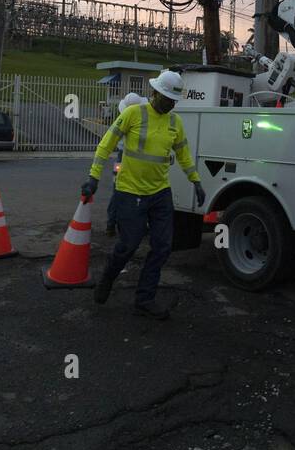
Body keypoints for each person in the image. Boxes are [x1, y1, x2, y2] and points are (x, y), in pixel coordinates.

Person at [83, 71, 205, 318]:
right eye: (167, 98)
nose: (170, 103)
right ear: (155, 93)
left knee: (162, 247)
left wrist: (196, 181)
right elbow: (105, 145)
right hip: (130, 191)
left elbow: (183, 154)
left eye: (174, 100)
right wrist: (93, 177)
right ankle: (108, 276)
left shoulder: (175, 123)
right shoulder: (132, 114)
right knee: (128, 245)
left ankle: (144, 299)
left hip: (160, 192)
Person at [105, 92, 146, 237]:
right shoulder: (142, 121)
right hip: (135, 160)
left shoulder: (122, 119)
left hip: (121, 159)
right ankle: (134, 226)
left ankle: (111, 224)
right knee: (137, 191)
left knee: (117, 190)